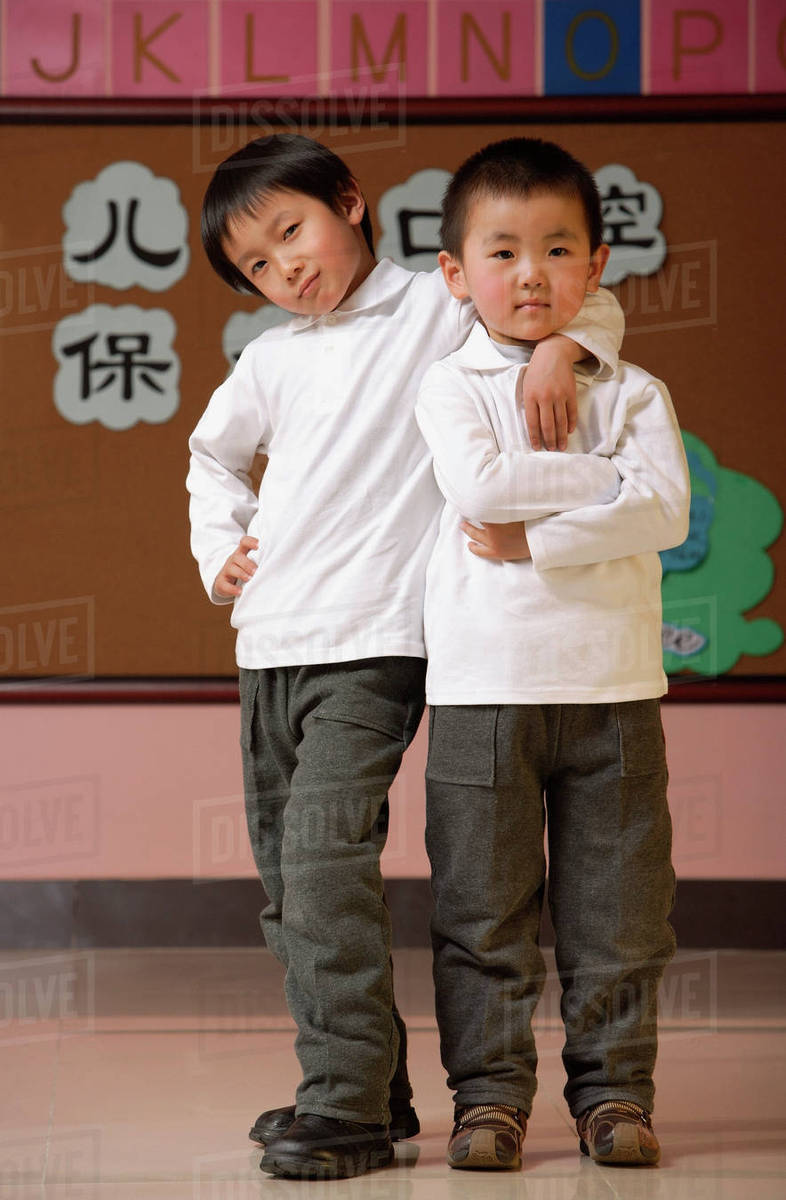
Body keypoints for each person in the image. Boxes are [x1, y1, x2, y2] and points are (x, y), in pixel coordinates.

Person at [187, 132, 624, 1181]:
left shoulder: (436, 309)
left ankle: (340, 1106)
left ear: (351, 204)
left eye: (293, 231)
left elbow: (552, 296)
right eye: (257, 264)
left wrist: (568, 350)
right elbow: (208, 458)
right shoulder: (270, 358)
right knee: (287, 889)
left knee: (325, 866)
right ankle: (370, 1088)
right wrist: (219, 556)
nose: (285, 268)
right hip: (270, 646)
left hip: (378, 645)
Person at [414, 135, 690, 1173]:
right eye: (503, 251)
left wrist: (540, 534)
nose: (531, 273)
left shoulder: (633, 391)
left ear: (597, 265)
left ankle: (615, 1095)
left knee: (620, 915)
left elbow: (664, 508)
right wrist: (598, 485)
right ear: (456, 273)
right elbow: (478, 491)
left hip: (616, 691)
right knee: (480, 915)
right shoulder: (450, 388)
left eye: (558, 248)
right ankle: (488, 1103)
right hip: (483, 689)